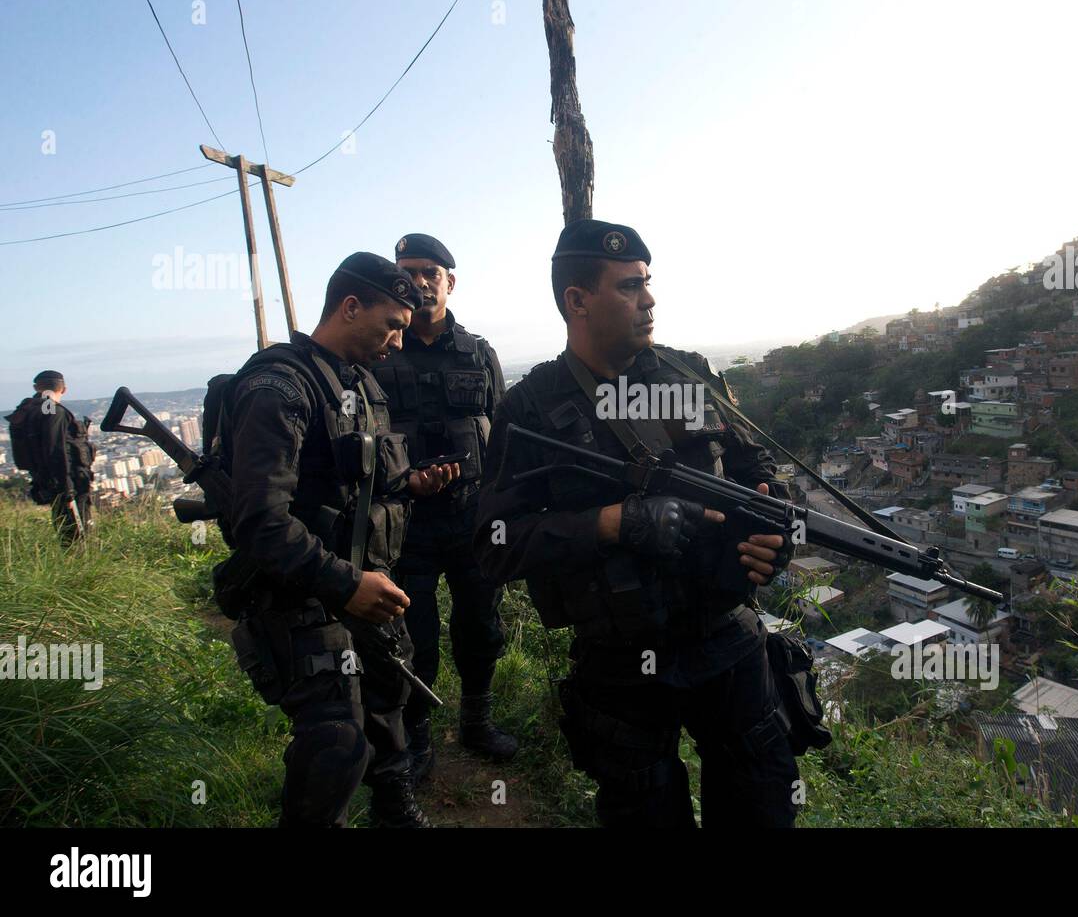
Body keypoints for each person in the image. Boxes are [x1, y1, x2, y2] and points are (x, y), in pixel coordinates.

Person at [472, 219, 799, 827]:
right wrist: (610, 523)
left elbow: (762, 474)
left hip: (726, 639)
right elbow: (493, 545)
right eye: (628, 287)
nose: (649, 300)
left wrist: (773, 538)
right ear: (577, 300)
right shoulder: (531, 410)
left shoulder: (690, 375)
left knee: (763, 801)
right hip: (621, 661)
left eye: (647, 284)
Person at [223, 252, 453, 828]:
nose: (399, 341)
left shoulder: (362, 386)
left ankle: (393, 810)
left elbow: (362, 482)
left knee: (387, 699)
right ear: (350, 307)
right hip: (302, 591)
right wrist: (345, 585)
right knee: (336, 739)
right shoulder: (280, 387)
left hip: (363, 584)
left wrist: (413, 484)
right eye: (393, 325)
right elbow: (261, 522)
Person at [372, 233, 517, 776]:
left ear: (449, 282)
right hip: (405, 523)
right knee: (416, 635)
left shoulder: (479, 353)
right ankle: (419, 739)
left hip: (473, 518)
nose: (421, 281)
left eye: (431, 272)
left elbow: (504, 436)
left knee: (481, 626)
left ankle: (477, 722)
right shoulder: (380, 349)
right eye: (409, 272)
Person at [5, 370, 94, 543]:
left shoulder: (28, 411)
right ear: (64, 389)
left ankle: (74, 559)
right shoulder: (53, 412)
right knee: (77, 530)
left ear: (36, 387)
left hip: (46, 477)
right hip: (68, 480)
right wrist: (67, 489)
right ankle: (80, 561)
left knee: (65, 527)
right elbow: (56, 450)